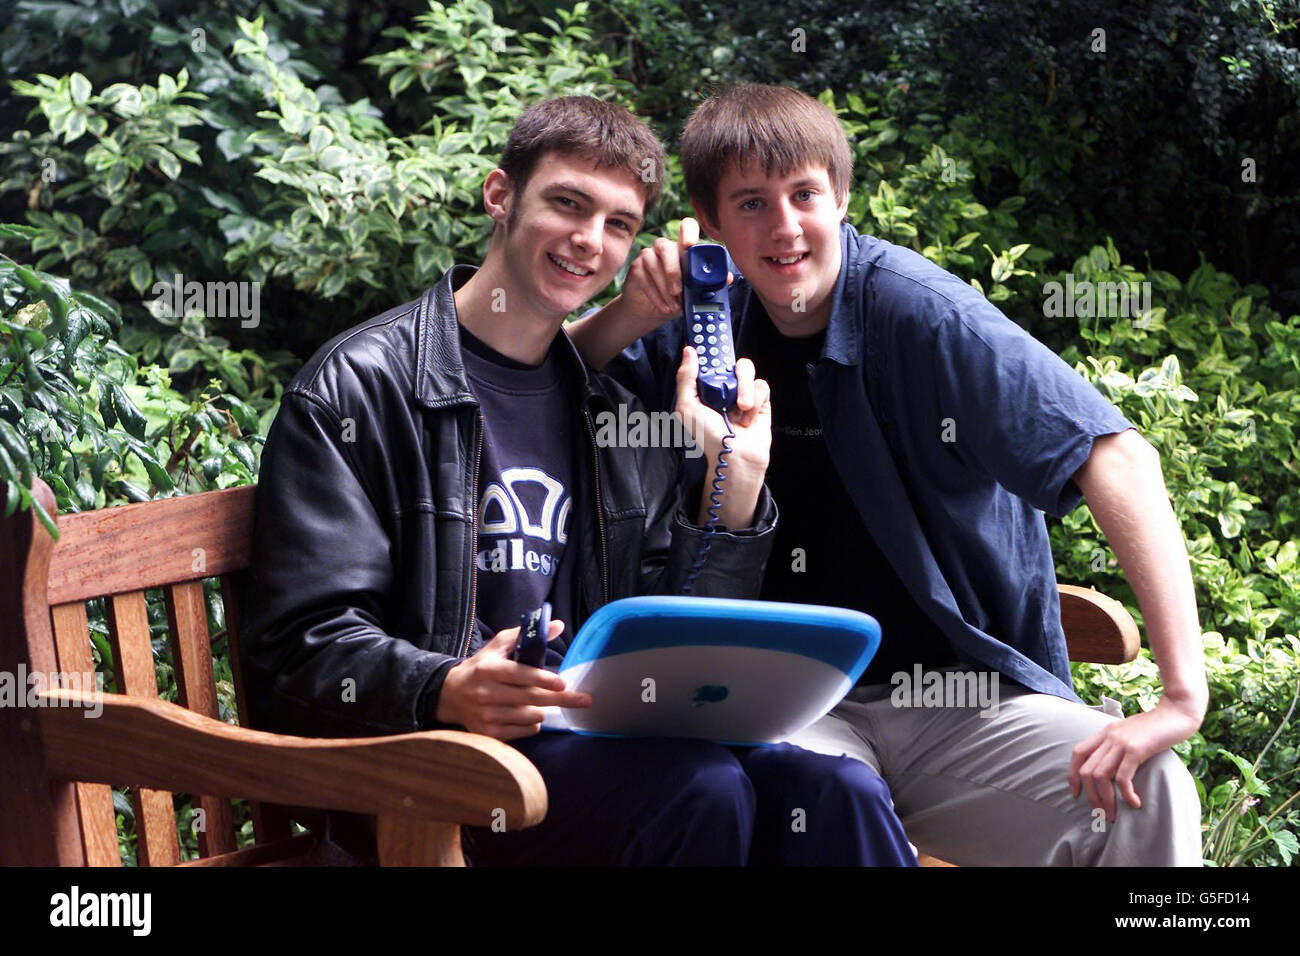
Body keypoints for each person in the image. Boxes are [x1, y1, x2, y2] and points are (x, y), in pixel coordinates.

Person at [239, 95, 917, 866]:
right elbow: (300, 650)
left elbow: (682, 628)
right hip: (437, 770)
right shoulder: (361, 388)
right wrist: (446, 685)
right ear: (501, 195)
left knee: (839, 793)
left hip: (604, 739)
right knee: (700, 788)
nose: (590, 241)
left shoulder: (611, 406)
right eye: (568, 203)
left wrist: (738, 478)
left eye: (619, 223)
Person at [567, 83, 1206, 866]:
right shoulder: (705, 325)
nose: (786, 227)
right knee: (823, 798)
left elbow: (1120, 459)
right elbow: (553, 382)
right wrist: (631, 312)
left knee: (1149, 792)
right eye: (752, 205)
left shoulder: (921, 314)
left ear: (841, 197)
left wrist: (1181, 697)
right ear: (710, 226)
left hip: (960, 705)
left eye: (804, 194)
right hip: (787, 702)